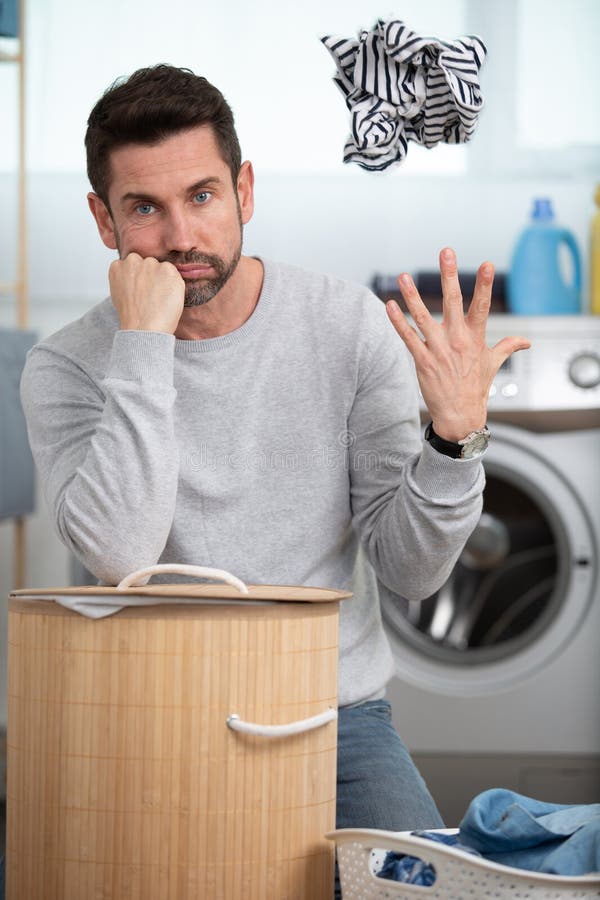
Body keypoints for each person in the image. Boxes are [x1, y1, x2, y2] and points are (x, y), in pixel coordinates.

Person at [16, 64, 529, 898]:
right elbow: (119, 551)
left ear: (245, 190)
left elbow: (411, 571)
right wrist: (145, 344)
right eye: (144, 208)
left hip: (332, 718)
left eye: (203, 196)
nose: (181, 235)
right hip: (143, 708)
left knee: (420, 893)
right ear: (102, 219)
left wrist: (452, 440)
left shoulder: (343, 326)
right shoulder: (68, 365)